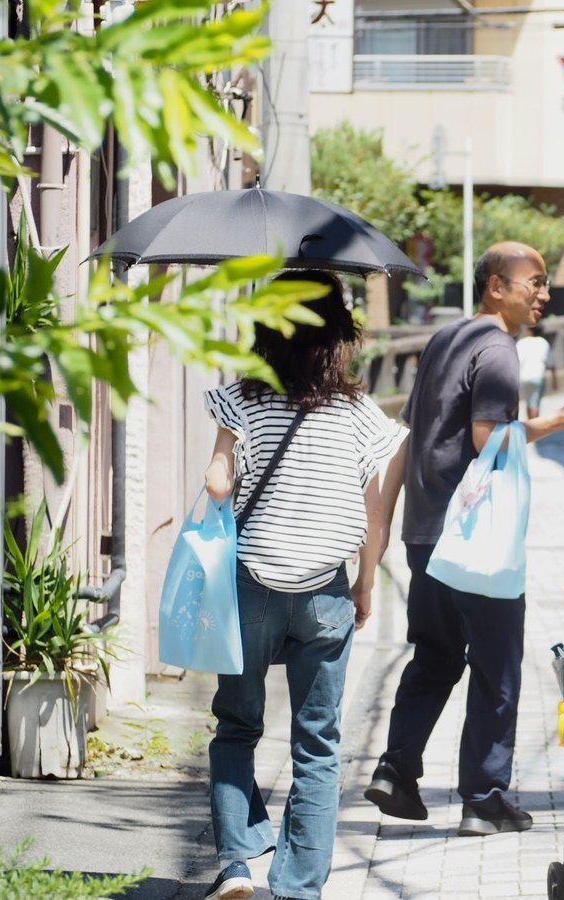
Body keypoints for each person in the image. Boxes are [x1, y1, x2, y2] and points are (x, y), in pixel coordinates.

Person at [364, 241, 564, 836]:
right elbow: (487, 438)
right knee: (498, 668)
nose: (544, 294)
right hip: (474, 538)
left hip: (426, 534)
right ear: (496, 286)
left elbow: (410, 436)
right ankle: (485, 797)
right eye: (535, 282)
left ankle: (396, 771)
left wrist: (381, 541)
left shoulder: (446, 339)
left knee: (436, 656)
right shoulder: (499, 351)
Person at [201, 271, 405, 900]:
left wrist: (228, 472)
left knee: (237, 727)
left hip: (252, 585)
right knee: (318, 745)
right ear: (340, 335)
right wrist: (367, 581)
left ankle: (238, 866)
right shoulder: (358, 413)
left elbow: (216, 483)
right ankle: (299, 890)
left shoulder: (244, 401)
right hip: (325, 588)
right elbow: (376, 515)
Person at [516, 324, 557, 419]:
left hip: (524, 377)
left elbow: (516, 361)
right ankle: (535, 425)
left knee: (528, 402)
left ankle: (530, 424)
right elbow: (552, 363)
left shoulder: (521, 343)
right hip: (538, 376)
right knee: (535, 403)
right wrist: (554, 381)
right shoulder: (543, 343)